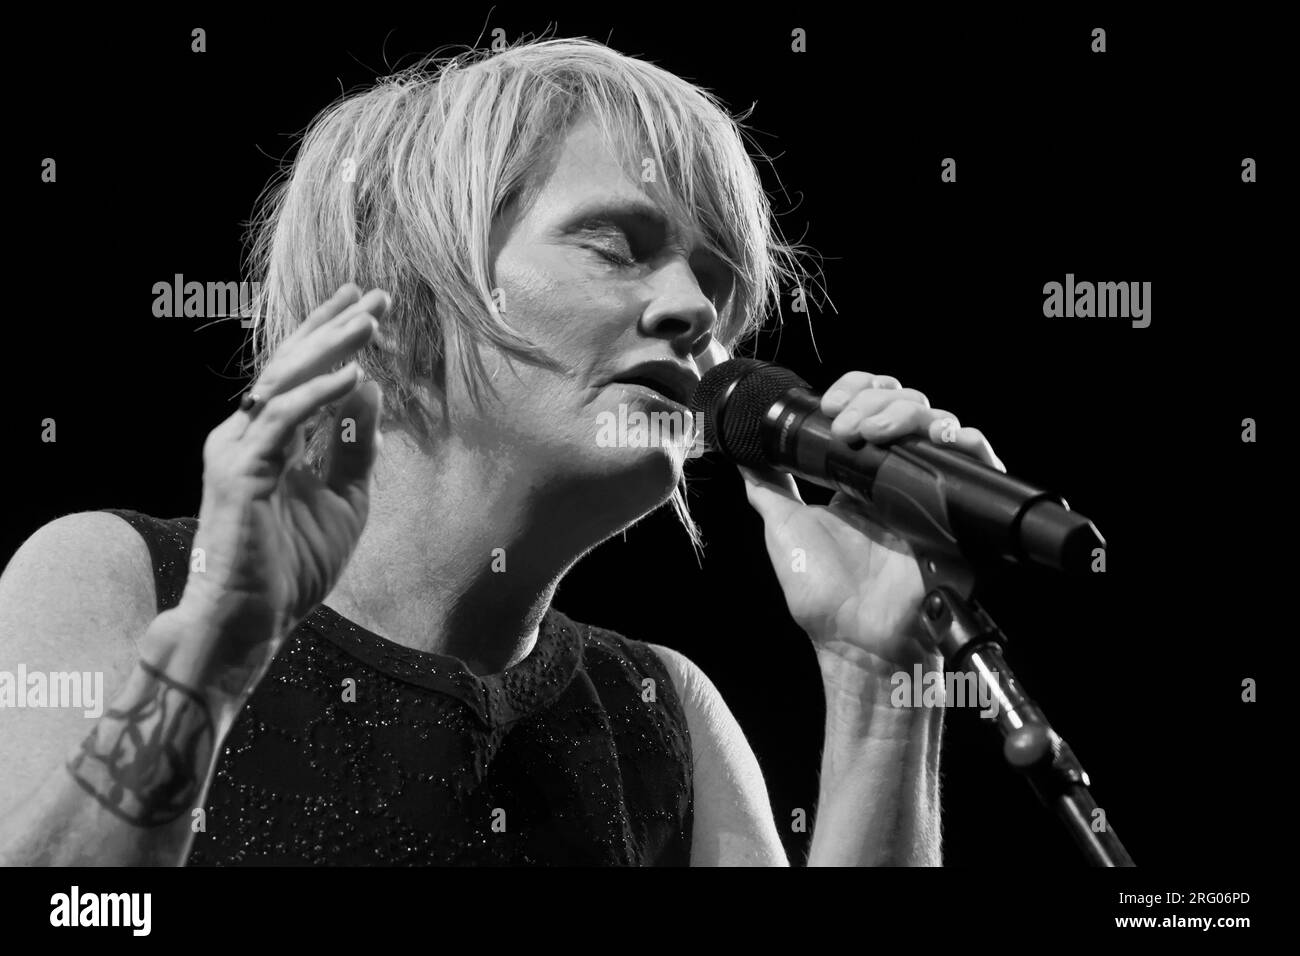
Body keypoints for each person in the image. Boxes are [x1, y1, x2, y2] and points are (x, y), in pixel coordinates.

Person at [0, 37, 1005, 865]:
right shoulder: (117, 580)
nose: (696, 310)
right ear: (403, 296)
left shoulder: (661, 713)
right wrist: (212, 652)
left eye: (712, 277)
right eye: (617, 246)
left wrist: (878, 678)